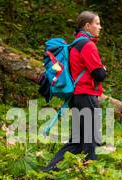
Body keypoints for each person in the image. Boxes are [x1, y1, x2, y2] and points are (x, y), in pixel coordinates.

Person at [44, 11, 107, 171]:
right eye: (97, 23)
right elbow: (98, 74)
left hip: (77, 96)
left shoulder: (75, 44)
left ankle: (49, 171)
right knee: (91, 139)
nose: (99, 27)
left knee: (78, 141)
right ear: (87, 25)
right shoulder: (87, 45)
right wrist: (104, 69)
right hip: (86, 96)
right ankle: (92, 176)